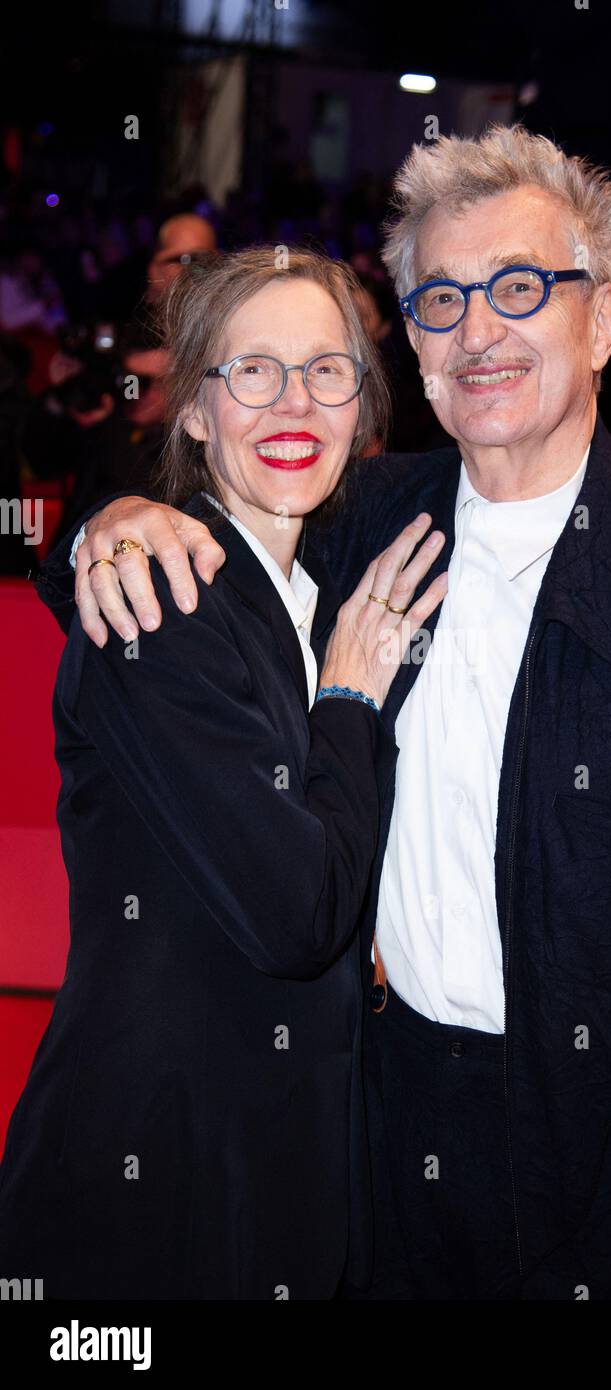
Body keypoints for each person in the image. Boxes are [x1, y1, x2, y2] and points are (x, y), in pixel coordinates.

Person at [41, 124, 611, 1301]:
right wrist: (104, 531)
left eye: (520, 287)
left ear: (605, 316)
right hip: (383, 1126)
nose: (477, 330)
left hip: (610, 1151)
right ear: (407, 343)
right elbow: (215, 522)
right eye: (439, 298)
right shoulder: (368, 516)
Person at [0, 245, 447, 1300]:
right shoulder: (167, 593)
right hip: (160, 1190)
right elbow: (297, 910)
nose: (293, 401)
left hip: (279, 1167)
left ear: (363, 403)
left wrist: (90, 530)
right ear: (194, 410)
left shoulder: (316, 569)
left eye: (326, 370)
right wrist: (347, 700)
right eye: (252, 370)